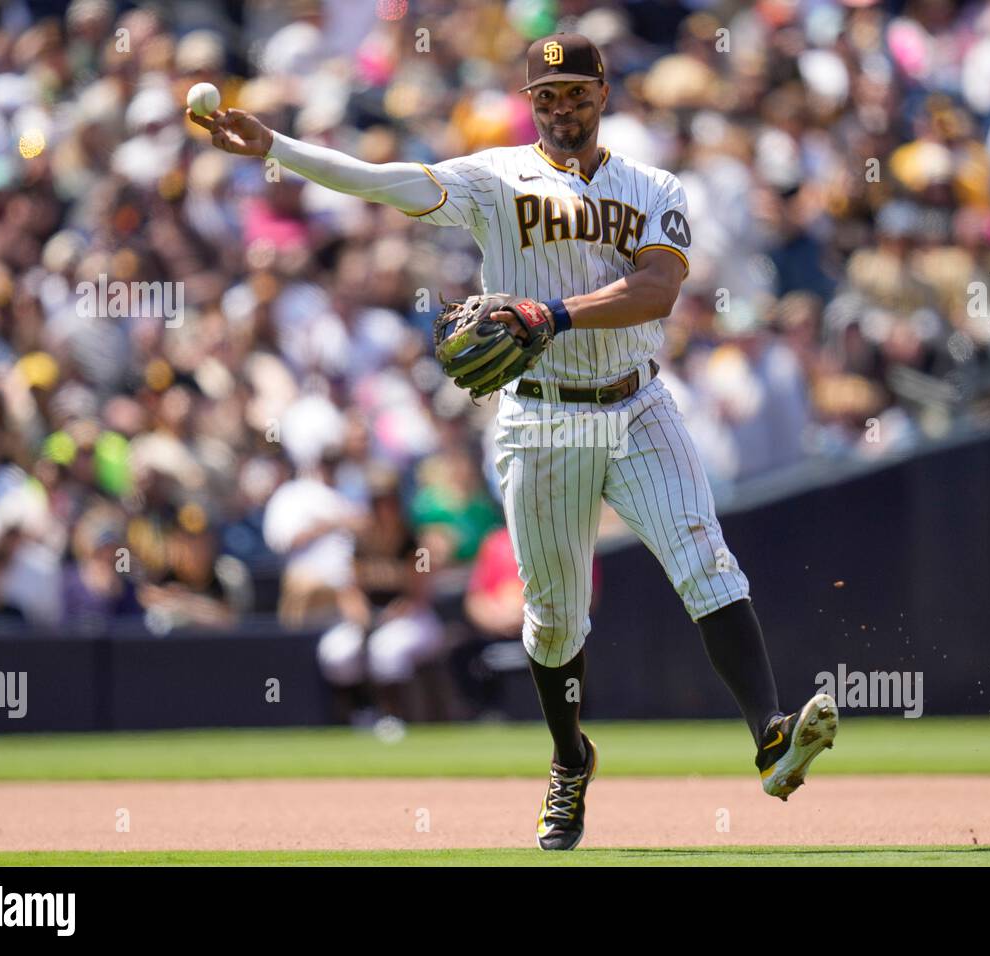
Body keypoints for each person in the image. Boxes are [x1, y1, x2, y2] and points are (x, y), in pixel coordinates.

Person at [190, 32, 837, 852]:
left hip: (638, 404)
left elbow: (659, 289)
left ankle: (770, 737)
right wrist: (277, 146)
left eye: (576, 92)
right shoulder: (497, 177)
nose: (562, 107)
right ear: (531, 103)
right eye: (547, 95)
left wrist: (552, 314)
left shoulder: (652, 184)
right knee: (556, 623)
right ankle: (570, 762)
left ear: (604, 96)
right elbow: (388, 184)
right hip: (540, 415)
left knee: (705, 559)